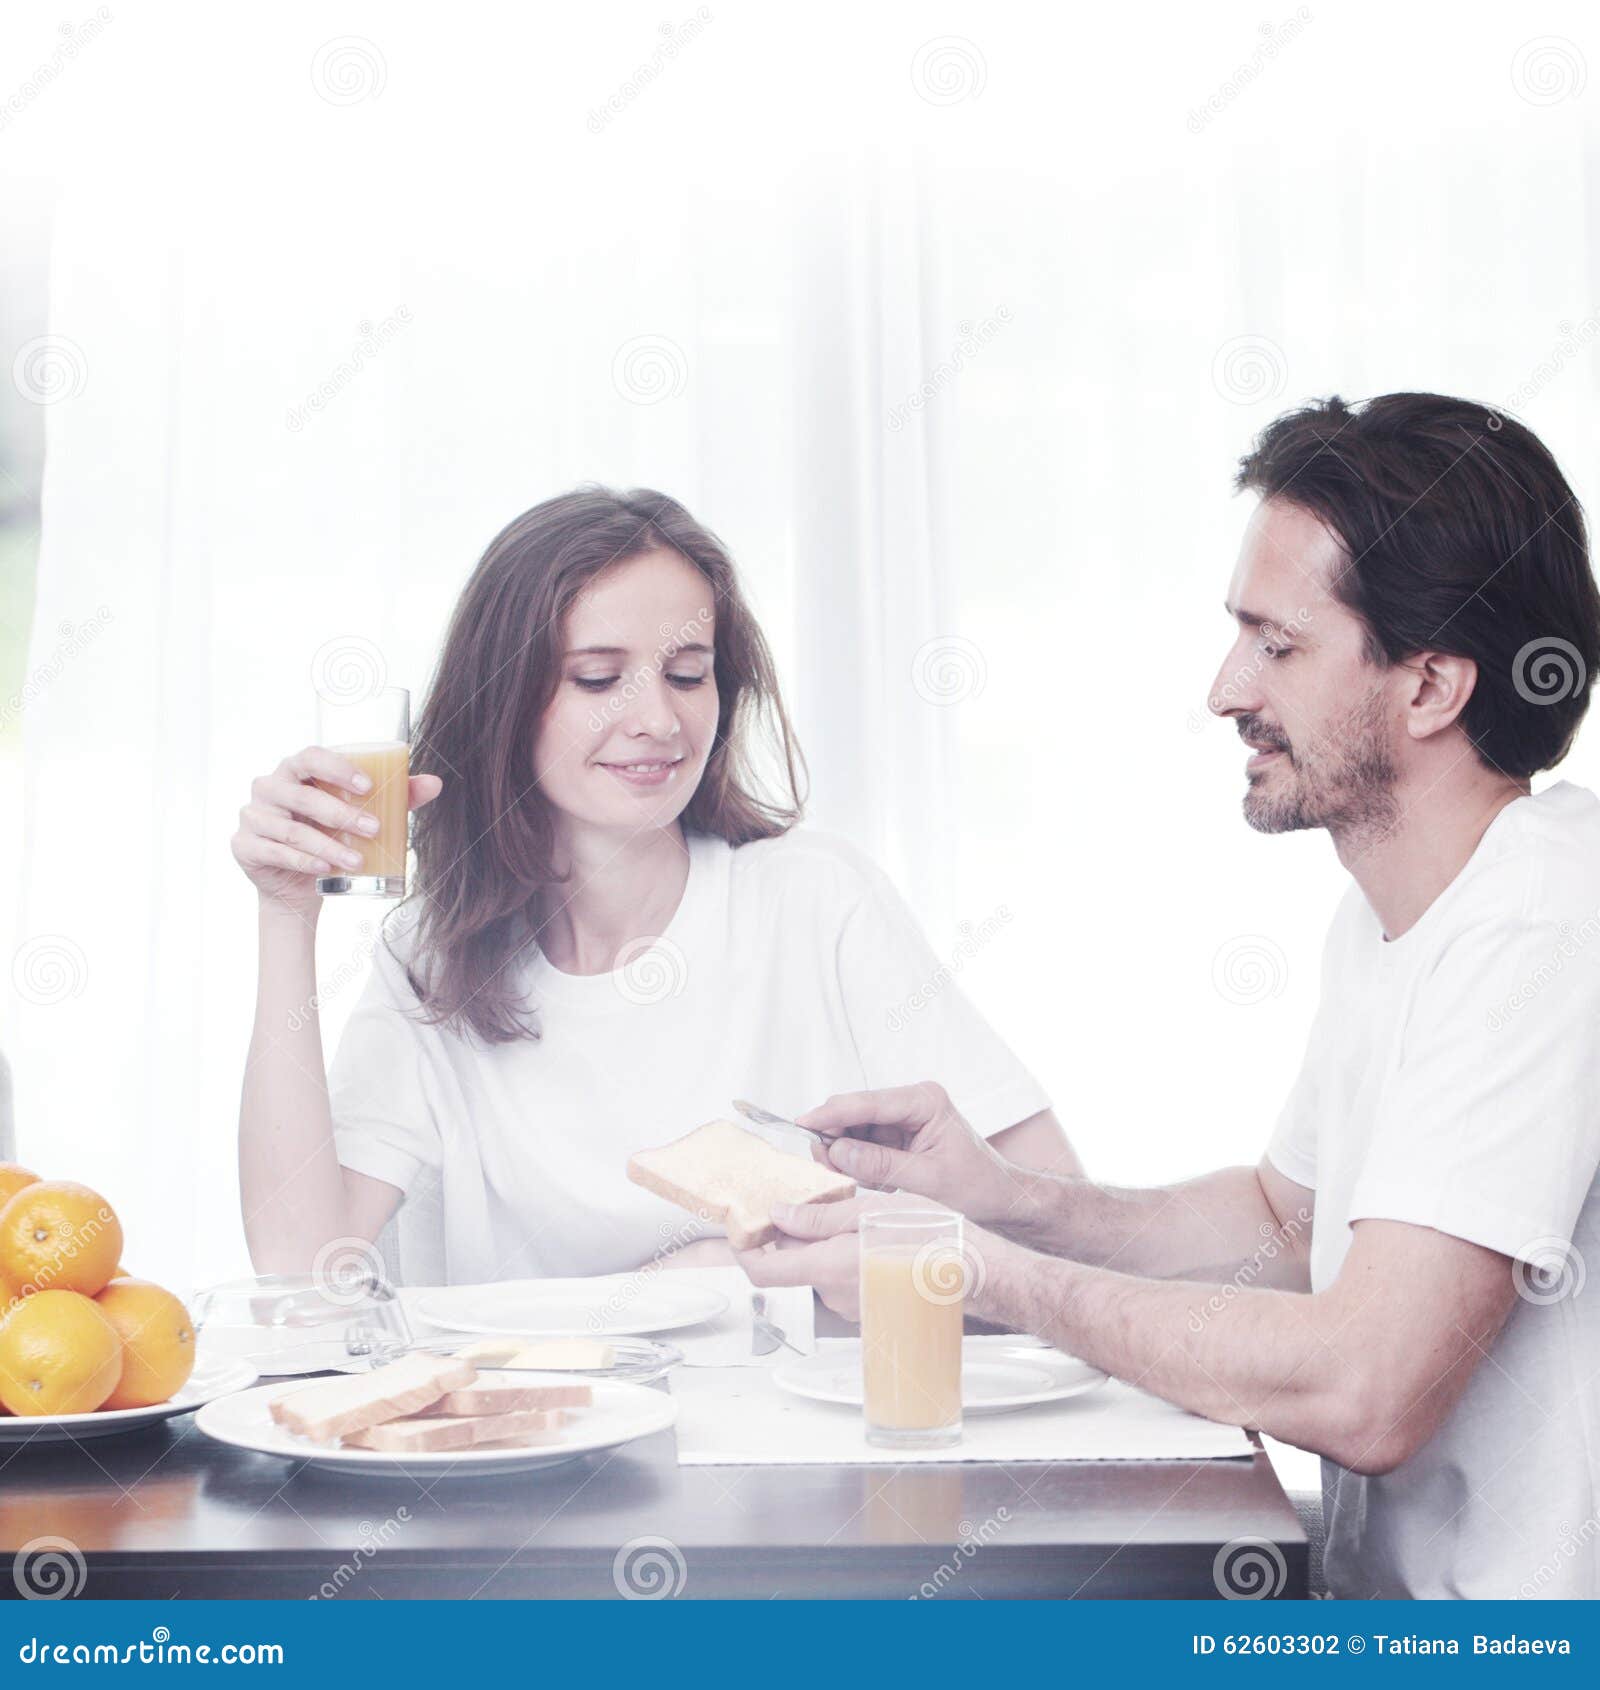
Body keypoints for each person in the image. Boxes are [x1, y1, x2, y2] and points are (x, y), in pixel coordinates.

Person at [743, 394, 1600, 1600]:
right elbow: (1283, 1227)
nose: (1222, 689)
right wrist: (1005, 1201)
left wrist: (984, 1273)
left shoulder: (1542, 925)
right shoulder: (1392, 919)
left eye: (1277, 644)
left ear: (1428, 689)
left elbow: (1367, 1386)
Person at [233, 487, 1076, 1285]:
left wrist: (749, 1272)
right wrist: (284, 915)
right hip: (537, 1435)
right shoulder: (431, 957)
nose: (659, 721)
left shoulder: (814, 902)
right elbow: (300, 1265)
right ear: (504, 702)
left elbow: (1054, 1217)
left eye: (686, 673)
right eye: (598, 678)